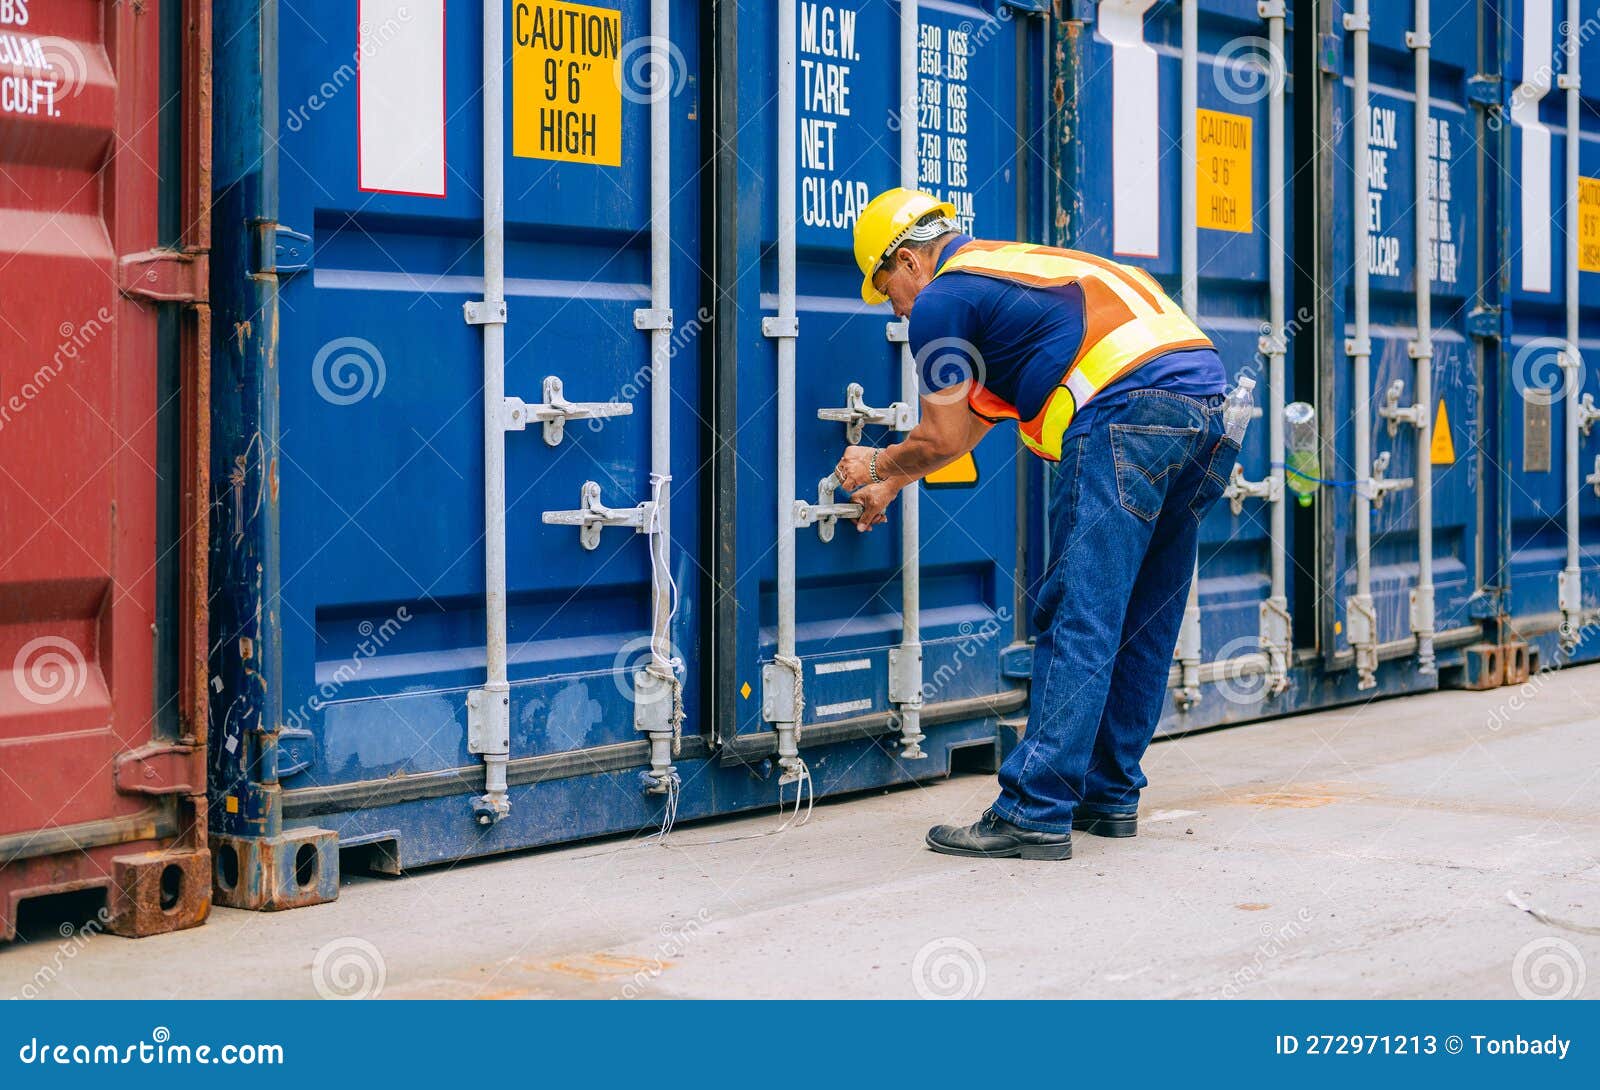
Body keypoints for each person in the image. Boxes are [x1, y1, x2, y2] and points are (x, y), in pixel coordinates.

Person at [834, 188, 1241, 861]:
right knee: (1144, 615)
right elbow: (967, 425)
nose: (896, 310)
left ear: (907, 261)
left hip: (1124, 412)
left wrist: (876, 459)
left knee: (1079, 610)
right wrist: (896, 479)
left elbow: (938, 434)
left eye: (886, 291)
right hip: (1205, 408)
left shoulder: (940, 301)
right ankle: (1109, 793)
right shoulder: (1011, 274)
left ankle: (1034, 809)